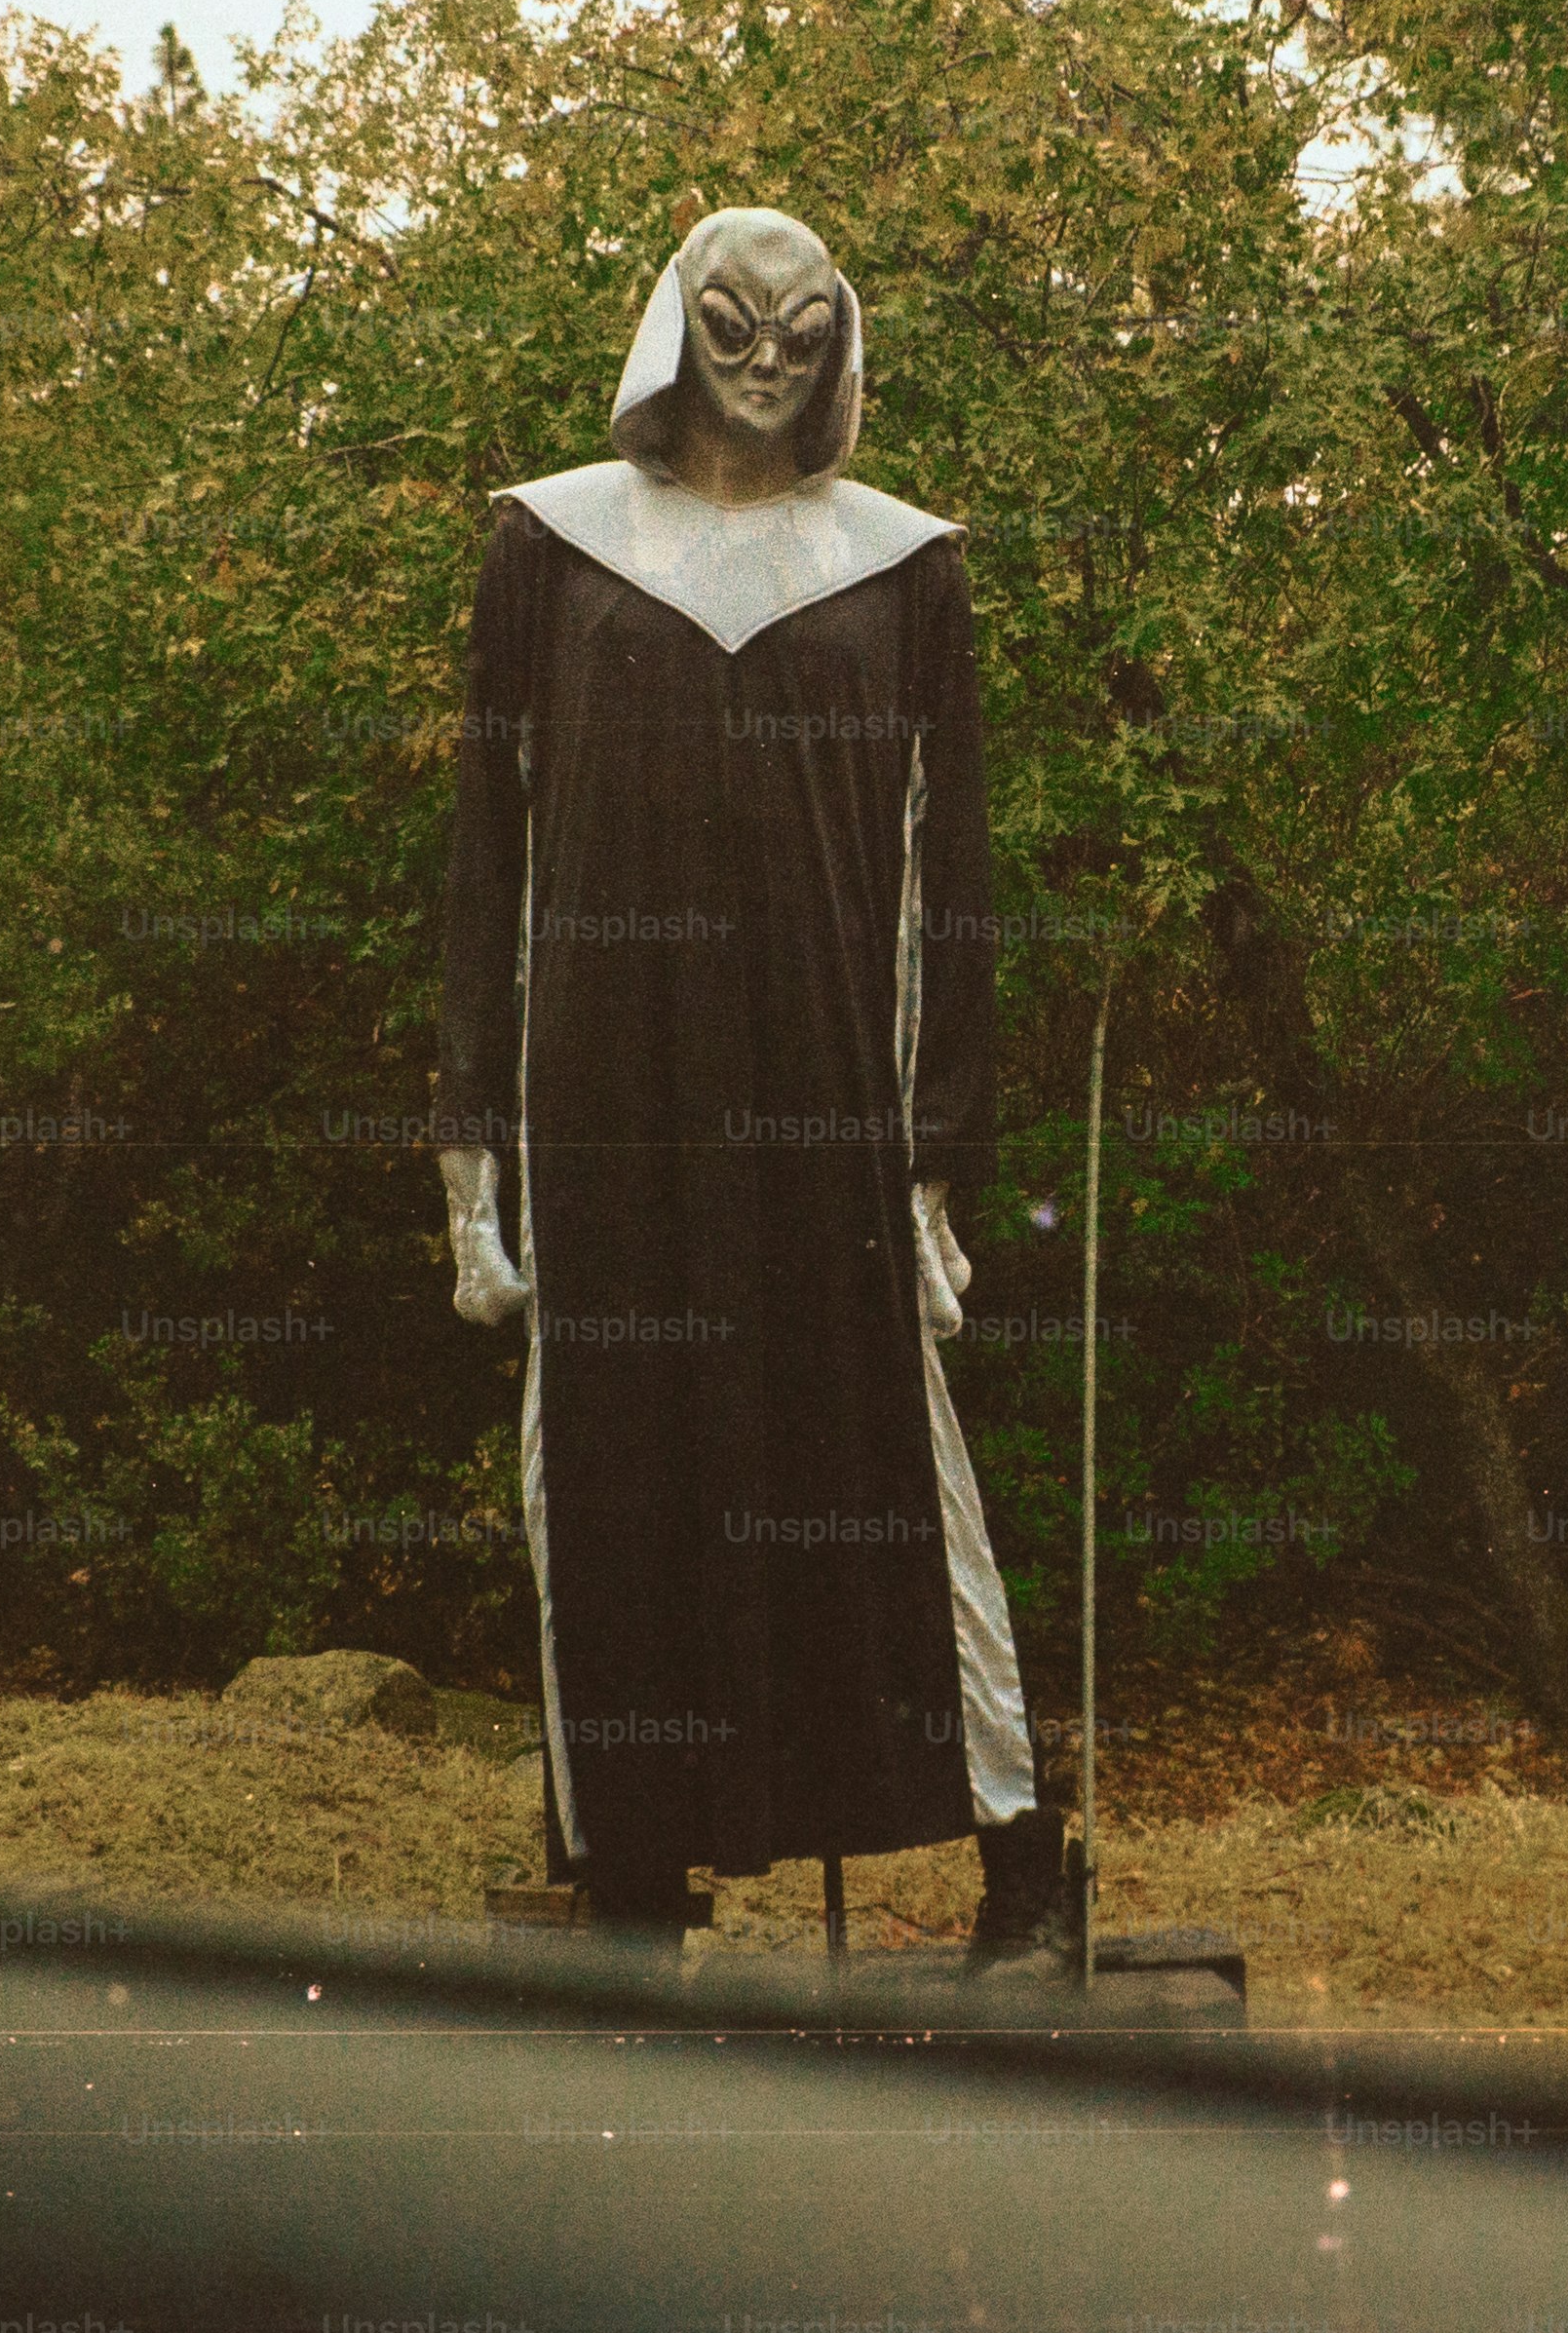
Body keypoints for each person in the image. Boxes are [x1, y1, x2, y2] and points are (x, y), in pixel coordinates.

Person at [433, 207, 1067, 1961]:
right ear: (672, 326)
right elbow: (490, 851)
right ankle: (637, 1862)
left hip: (826, 1099)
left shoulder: (903, 567)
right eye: (732, 315)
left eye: (802, 321)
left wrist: (943, 1155)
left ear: (842, 339)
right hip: (610, 1102)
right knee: (620, 1467)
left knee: (885, 1462)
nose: (767, 351)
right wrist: (468, 1142)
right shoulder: (550, 550)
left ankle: (1021, 1849)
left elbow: (958, 880)